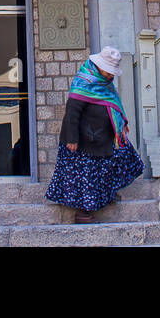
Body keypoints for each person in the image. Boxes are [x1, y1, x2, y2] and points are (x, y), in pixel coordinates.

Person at [45, 47, 145, 223]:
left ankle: (106, 196)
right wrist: (72, 139)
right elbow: (72, 114)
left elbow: (113, 105)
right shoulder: (83, 83)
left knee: (124, 163)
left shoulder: (105, 85)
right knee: (87, 177)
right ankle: (83, 214)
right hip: (84, 142)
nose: (110, 76)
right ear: (98, 67)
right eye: (108, 72)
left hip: (104, 138)